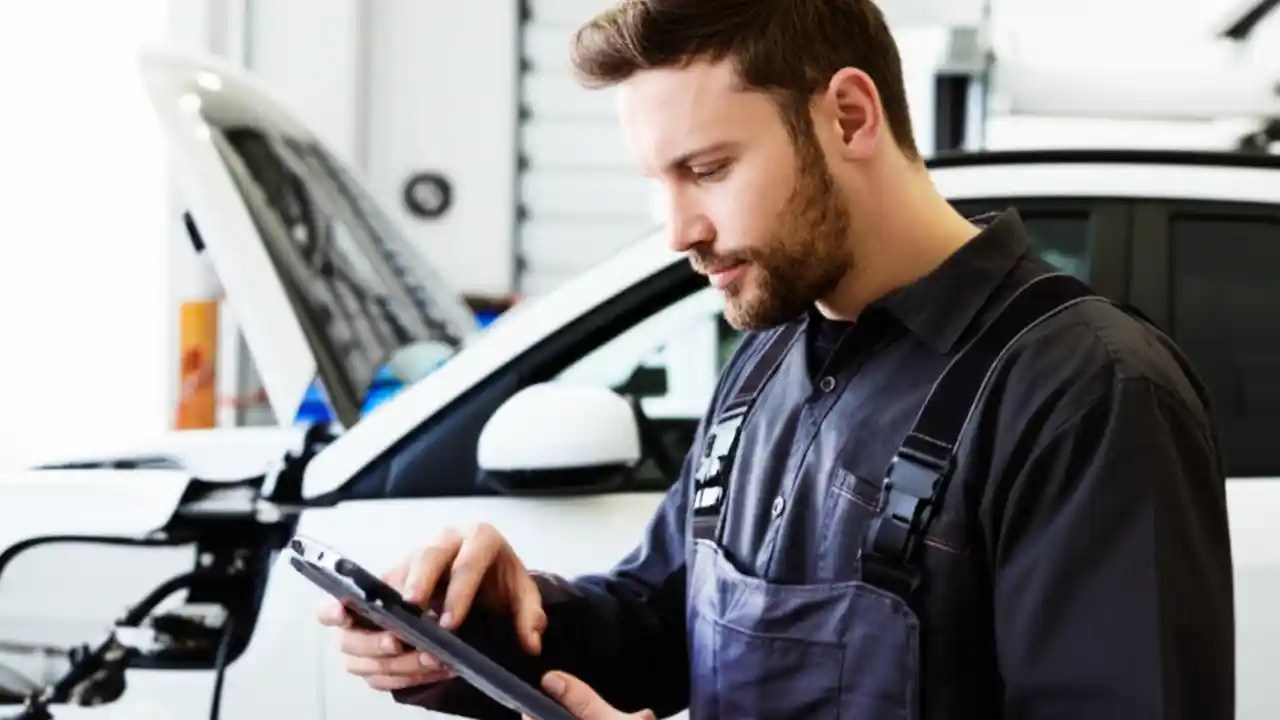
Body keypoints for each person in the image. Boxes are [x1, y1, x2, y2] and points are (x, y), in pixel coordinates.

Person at [317, 1, 1236, 717]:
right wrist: (487, 632)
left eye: (708, 170)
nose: (679, 229)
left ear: (847, 114)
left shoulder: (1087, 393)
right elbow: (662, 626)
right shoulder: (766, 363)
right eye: (660, 182)